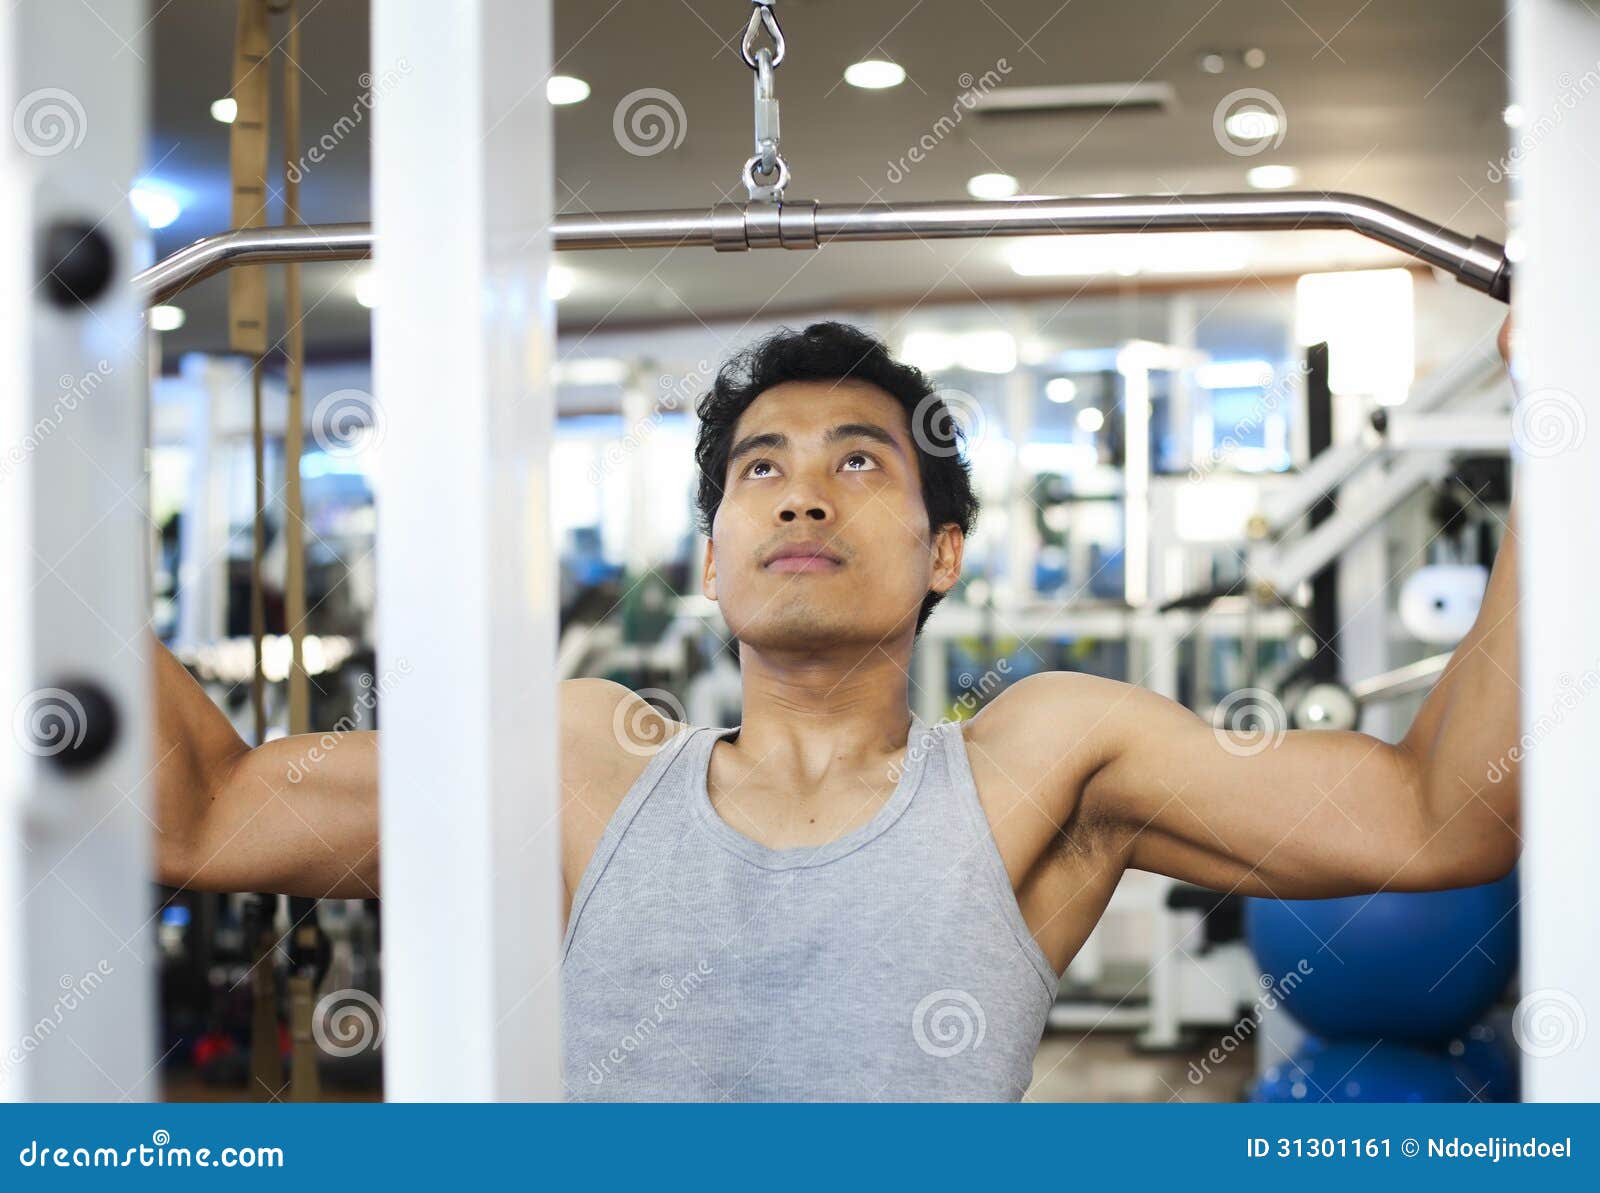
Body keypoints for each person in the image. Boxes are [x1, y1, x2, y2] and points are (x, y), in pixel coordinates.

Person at [151, 317, 1522, 1101]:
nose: (802, 493)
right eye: (761, 468)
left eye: (858, 462)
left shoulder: (1041, 758)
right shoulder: (582, 759)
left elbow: (1440, 814)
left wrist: (1558, 409)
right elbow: (201, 813)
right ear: (709, 555)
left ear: (941, 552)